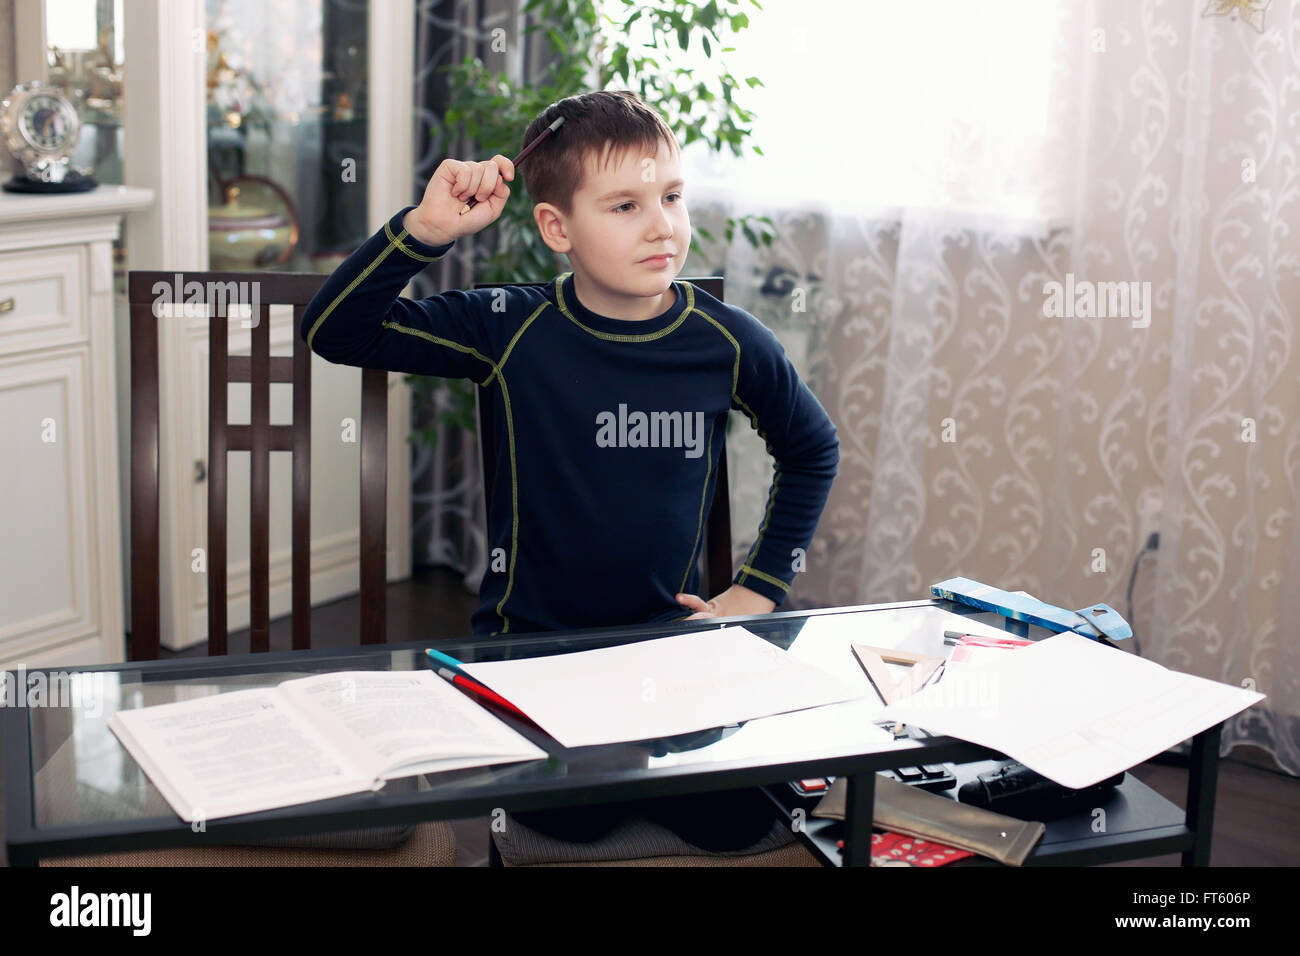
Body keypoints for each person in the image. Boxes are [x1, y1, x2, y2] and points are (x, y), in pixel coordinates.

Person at [301, 89, 839, 854]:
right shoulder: (507, 327)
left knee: (746, 822)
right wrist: (425, 231)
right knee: (575, 817)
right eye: (625, 206)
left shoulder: (728, 340)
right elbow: (335, 330)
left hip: (669, 651)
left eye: (672, 197)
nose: (663, 225)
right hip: (533, 658)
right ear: (557, 227)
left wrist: (757, 590)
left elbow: (812, 447)